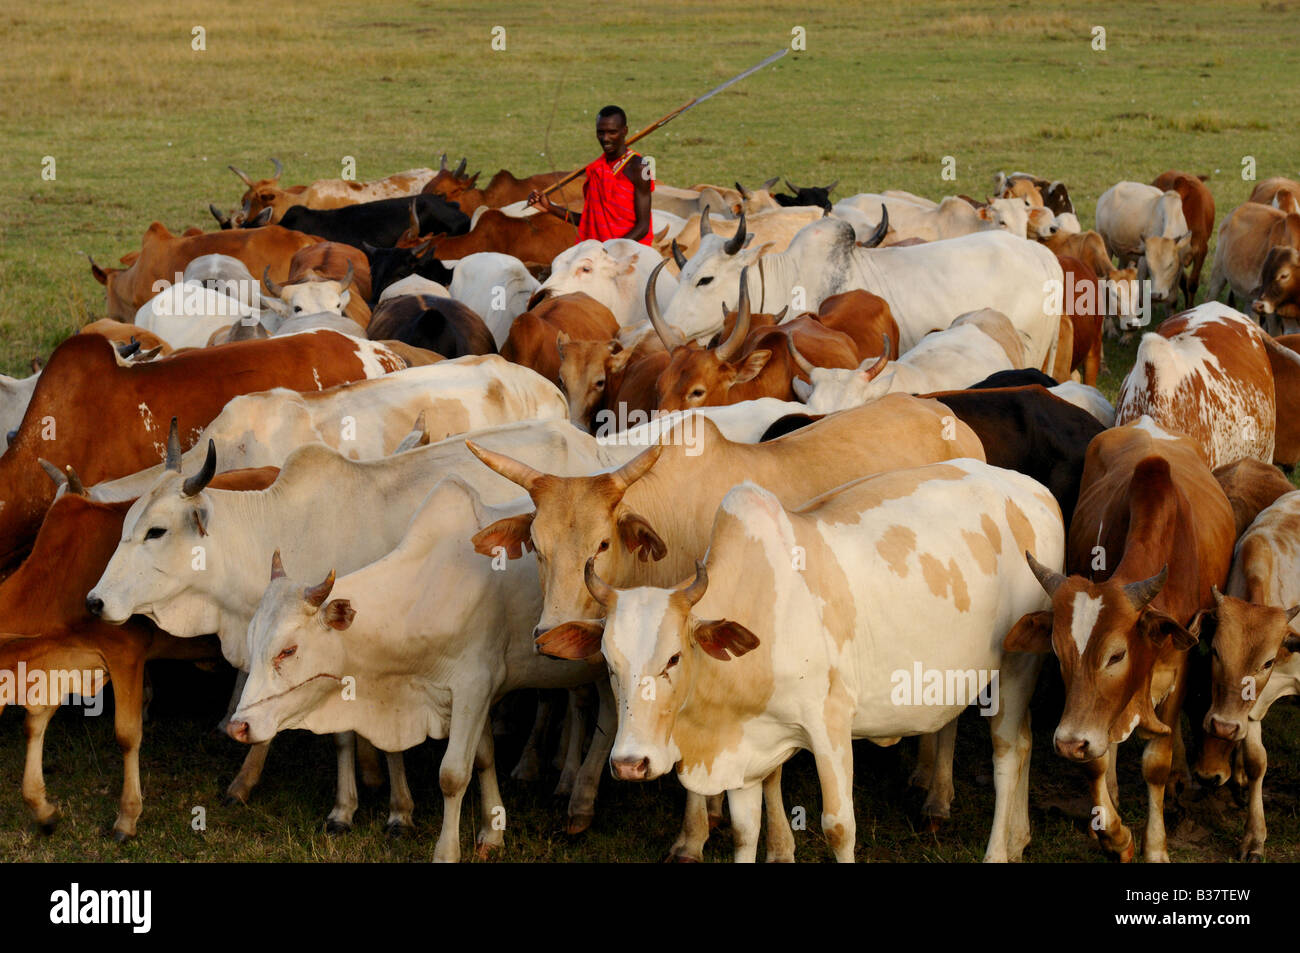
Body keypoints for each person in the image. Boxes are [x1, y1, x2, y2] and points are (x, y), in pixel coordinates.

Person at [527, 105, 654, 245]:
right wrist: (550, 207)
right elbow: (589, 222)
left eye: (612, 132)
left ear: (625, 131)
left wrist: (610, 250)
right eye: (601, 132)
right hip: (597, 253)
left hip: (629, 252)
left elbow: (643, 227)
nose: (605, 138)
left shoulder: (640, 166)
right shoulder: (597, 169)